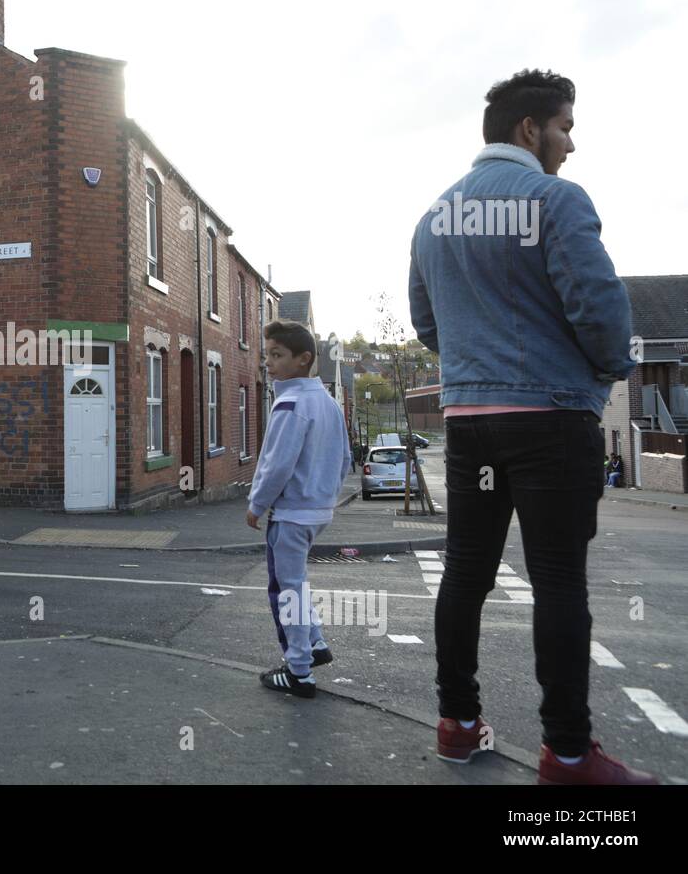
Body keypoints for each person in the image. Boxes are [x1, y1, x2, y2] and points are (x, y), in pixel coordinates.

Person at [409, 69, 654, 784]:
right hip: (551, 420)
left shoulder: (434, 216)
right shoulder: (555, 200)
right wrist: (602, 373)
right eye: (566, 127)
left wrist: (476, 366)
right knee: (556, 580)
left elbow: (428, 323)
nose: (571, 144)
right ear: (529, 130)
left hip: (469, 424)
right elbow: (601, 311)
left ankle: (456, 725)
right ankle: (568, 754)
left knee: (465, 573)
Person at [246, 320, 352, 698]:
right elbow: (345, 458)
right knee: (298, 585)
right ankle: (316, 644)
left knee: (285, 591)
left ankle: (299, 671)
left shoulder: (289, 403)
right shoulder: (327, 401)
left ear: (303, 359)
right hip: (319, 510)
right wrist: (326, 496)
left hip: (290, 515)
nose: (268, 363)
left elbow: (277, 464)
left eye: (277, 355)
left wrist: (257, 504)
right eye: (267, 355)